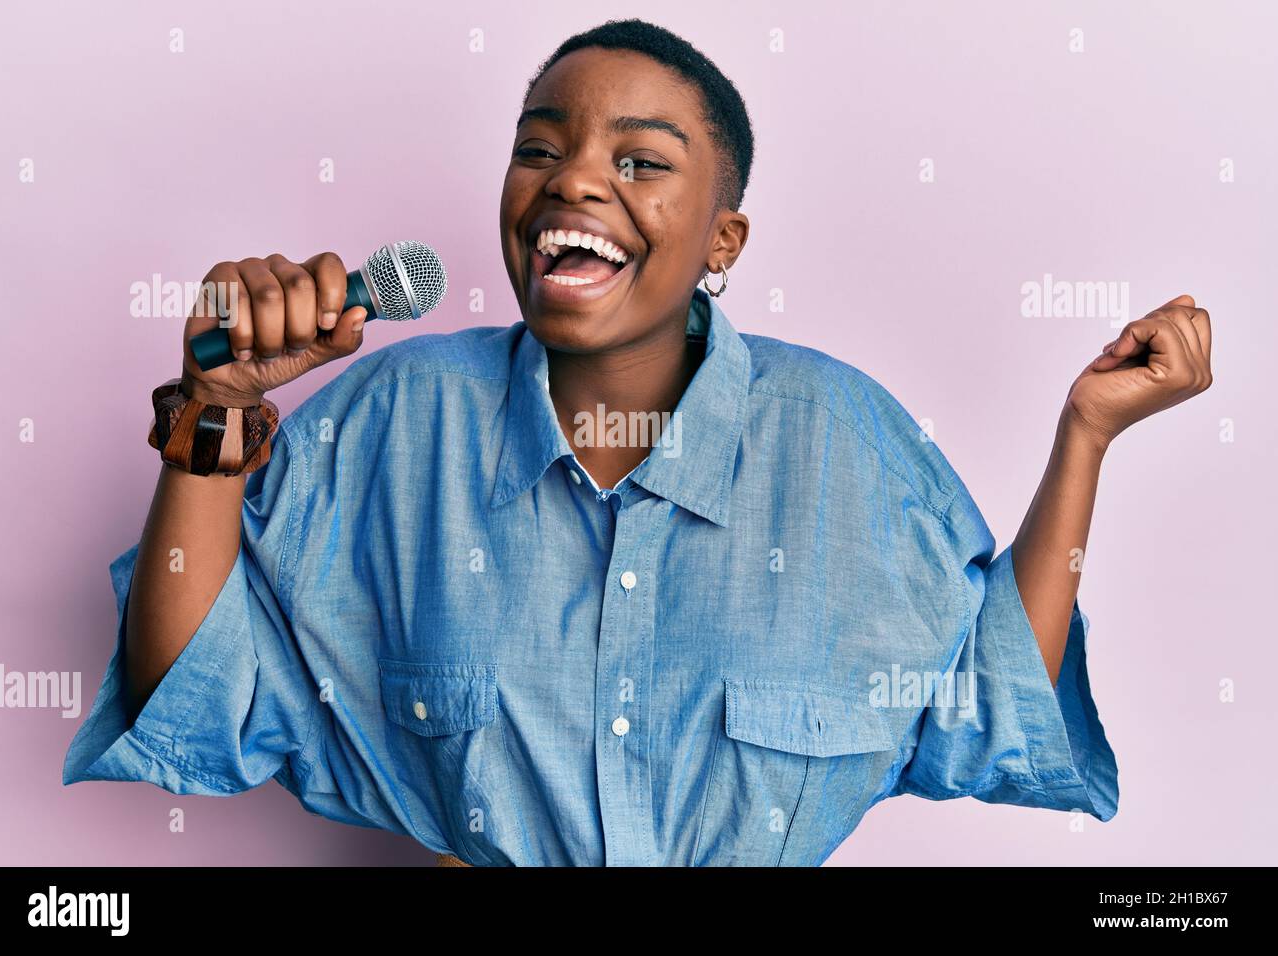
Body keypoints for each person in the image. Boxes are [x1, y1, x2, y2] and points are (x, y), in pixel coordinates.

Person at [64, 19, 1213, 866]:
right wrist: (209, 413)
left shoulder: (844, 440)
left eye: (641, 161)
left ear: (724, 237)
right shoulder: (392, 422)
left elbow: (993, 707)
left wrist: (1084, 436)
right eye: (539, 148)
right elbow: (193, 703)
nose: (572, 179)